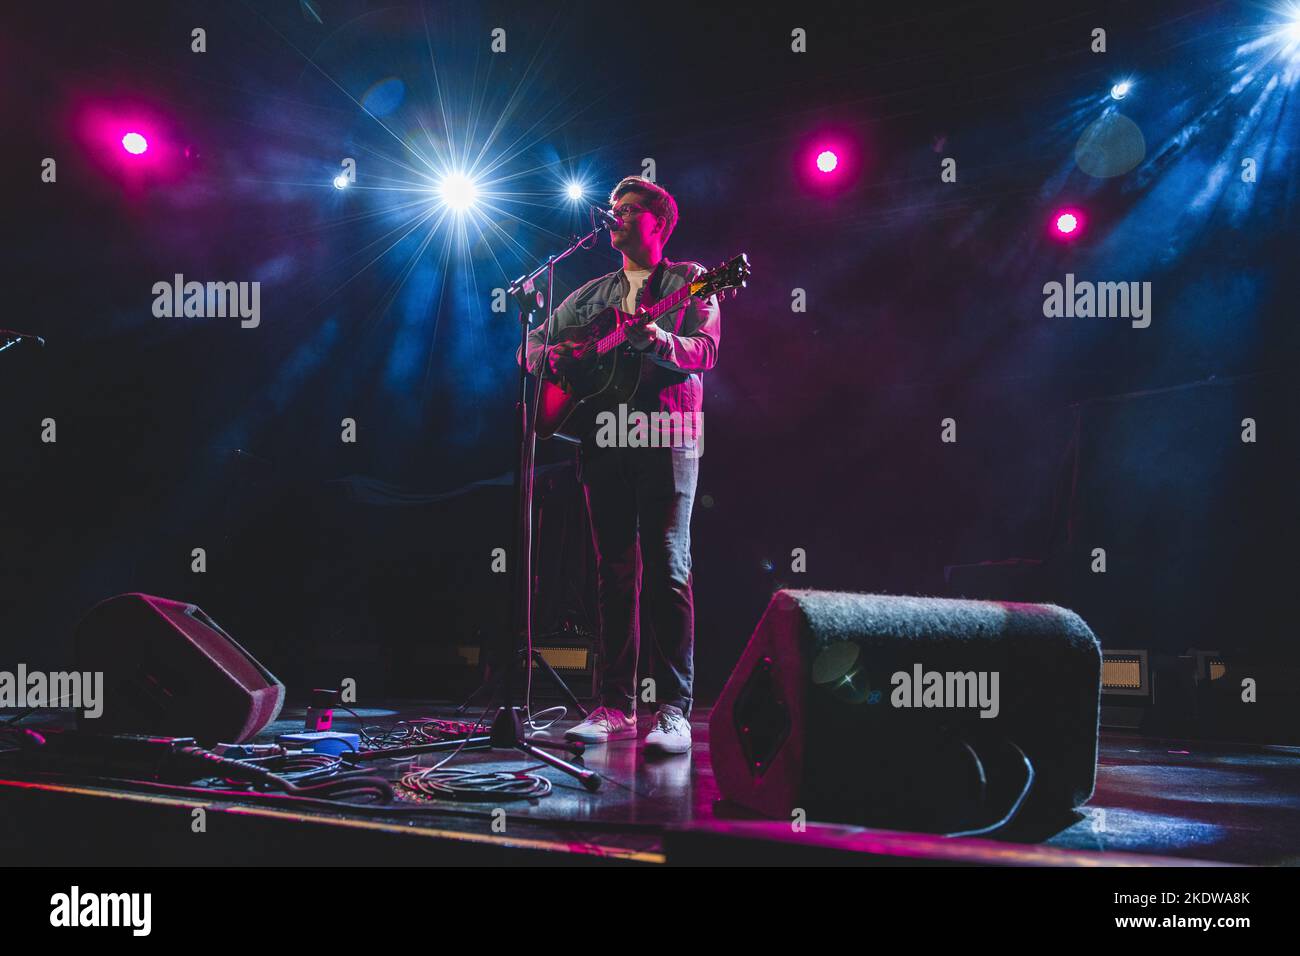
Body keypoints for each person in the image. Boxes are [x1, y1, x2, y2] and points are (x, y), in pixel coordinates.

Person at [519, 176, 720, 753]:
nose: (616, 217)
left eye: (629, 210)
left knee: (668, 569)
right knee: (613, 574)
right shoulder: (588, 295)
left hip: (668, 437)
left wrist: (657, 338)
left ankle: (673, 711)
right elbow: (527, 348)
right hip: (603, 442)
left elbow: (705, 351)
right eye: (613, 210)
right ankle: (613, 706)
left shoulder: (692, 280)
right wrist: (552, 358)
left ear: (658, 222)